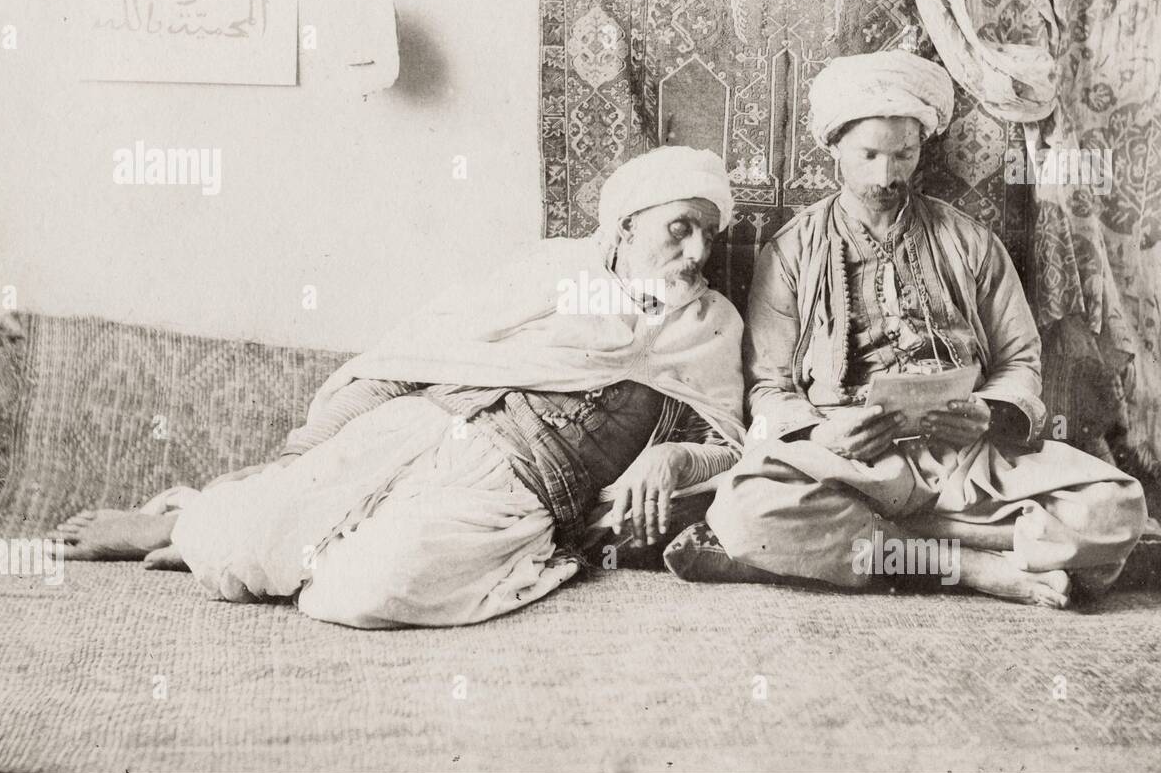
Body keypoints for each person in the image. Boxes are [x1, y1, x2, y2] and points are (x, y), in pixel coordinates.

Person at [56, 147, 745, 628]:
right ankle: (186, 524)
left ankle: (263, 544)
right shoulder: (550, 273)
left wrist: (678, 457)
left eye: (708, 236)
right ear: (626, 227)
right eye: (678, 229)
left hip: (518, 491)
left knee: (362, 592)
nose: (696, 253)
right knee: (262, 528)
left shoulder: (710, 326)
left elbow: (740, 443)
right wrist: (312, 452)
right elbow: (422, 350)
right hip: (421, 428)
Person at [704, 50, 1147, 609]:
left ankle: (900, 546)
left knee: (1116, 505)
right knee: (744, 511)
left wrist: (989, 412)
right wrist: (821, 435)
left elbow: (1018, 358)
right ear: (835, 149)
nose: (886, 176)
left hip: (968, 456)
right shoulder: (789, 252)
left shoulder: (970, 240)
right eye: (868, 155)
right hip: (852, 463)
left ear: (921, 149)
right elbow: (767, 388)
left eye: (903, 155)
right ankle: (969, 565)